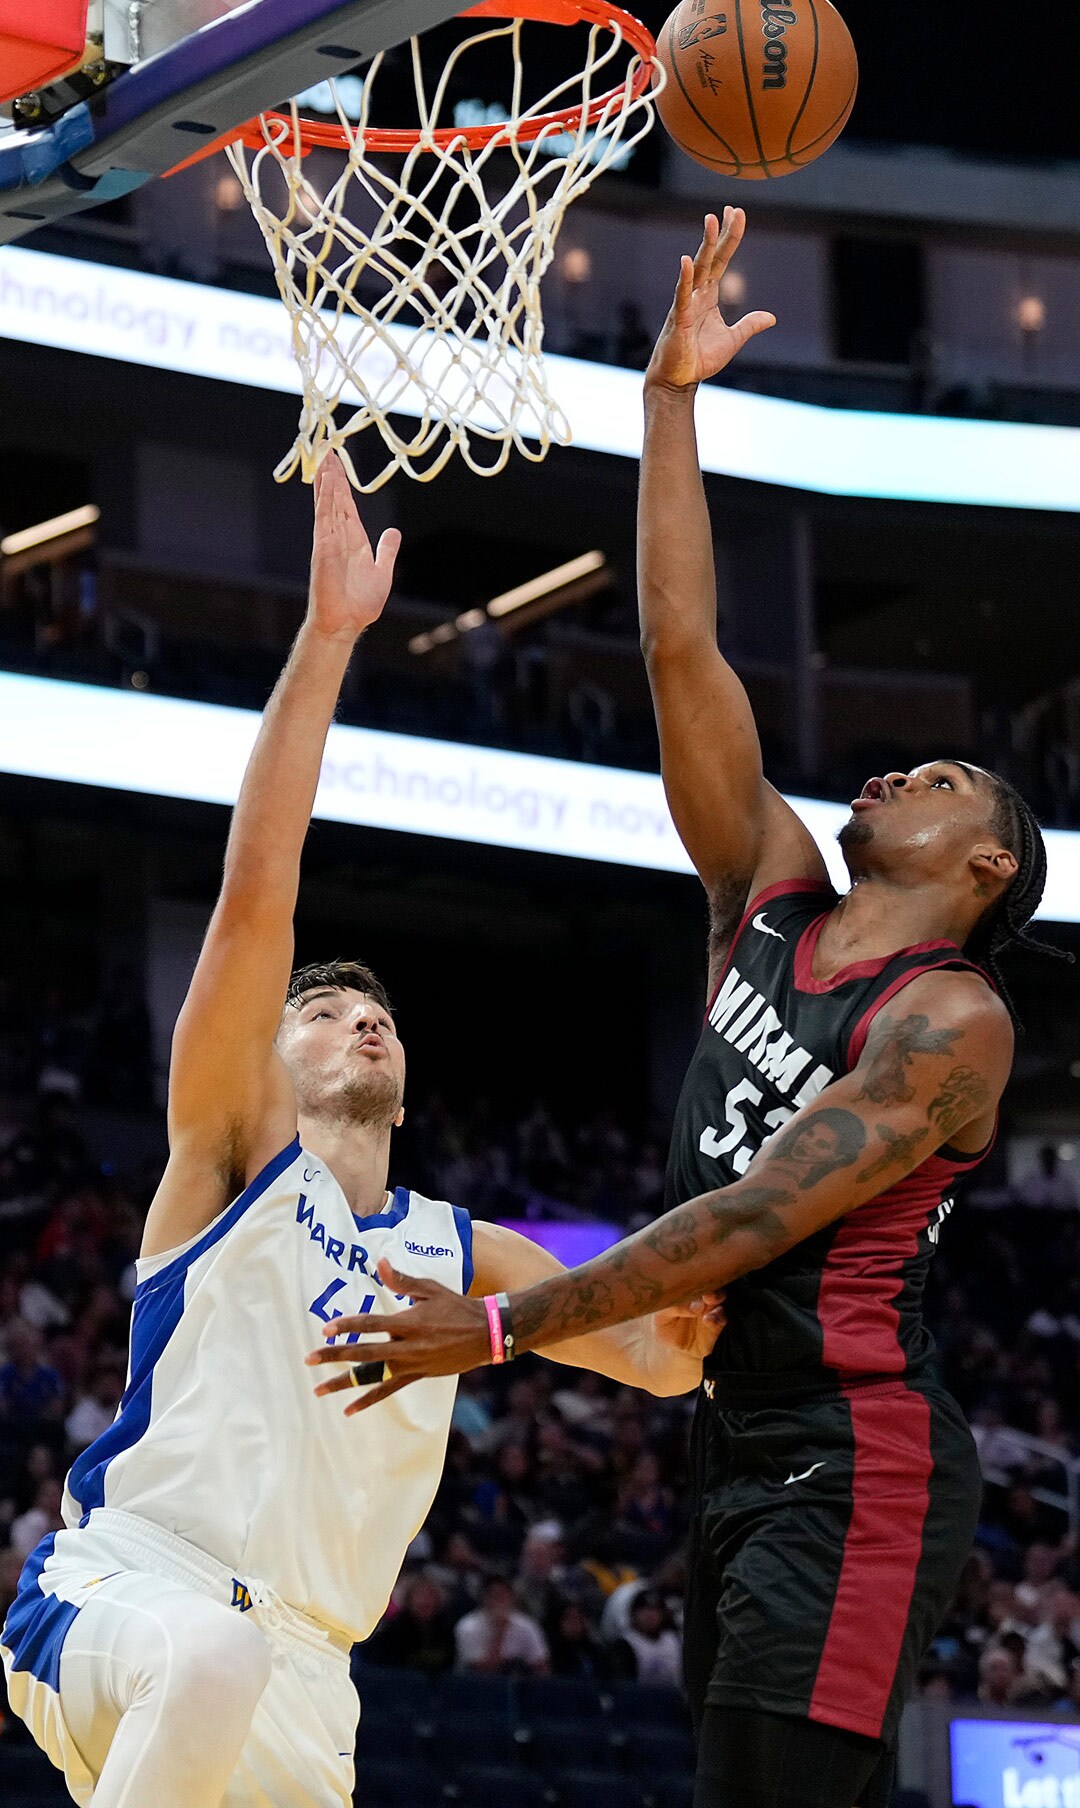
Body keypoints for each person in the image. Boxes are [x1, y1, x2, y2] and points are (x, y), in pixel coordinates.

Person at [312, 211, 1067, 1808]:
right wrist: (666, 403)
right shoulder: (773, 889)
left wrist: (513, 1323)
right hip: (741, 1435)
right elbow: (678, 649)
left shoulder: (954, 1023)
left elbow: (754, 1216)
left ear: (988, 864)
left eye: (933, 778)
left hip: (855, 1452)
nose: (891, 771)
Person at [0, 454, 719, 1808]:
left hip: (312, 1683)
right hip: (127, 1590)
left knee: (234, 1672)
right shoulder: (230, 1160)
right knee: (205, 1656)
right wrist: (329, 643)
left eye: (376, 1012)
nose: (359, 1019)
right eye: (323, 1011)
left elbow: (659, 1364)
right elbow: (253, 896)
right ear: (270, 1057)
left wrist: (696, 1319)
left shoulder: (470, 1247)